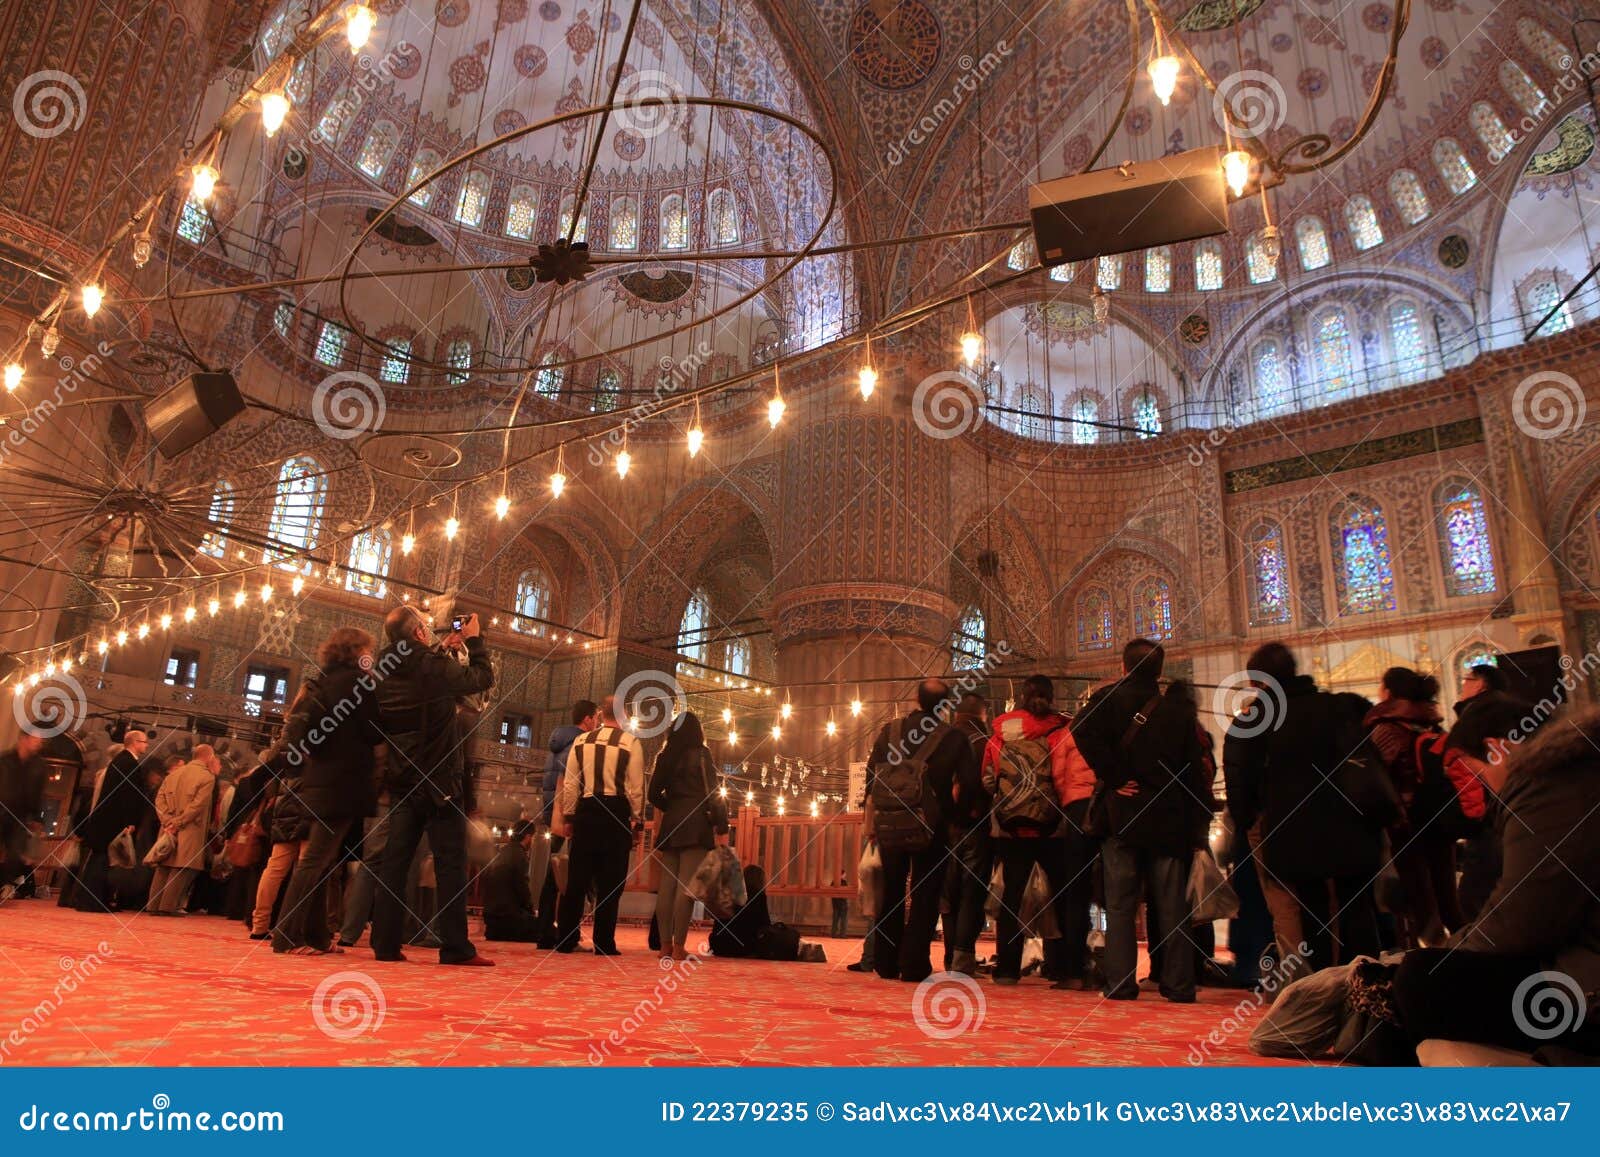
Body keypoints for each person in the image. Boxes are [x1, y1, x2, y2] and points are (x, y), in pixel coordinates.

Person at [1394, 703, 1600, 1056]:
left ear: (1495, 749)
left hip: (1588, 988)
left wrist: (1445, 955)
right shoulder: (1575, 770)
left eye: (1473, 771)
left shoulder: (1547, 784)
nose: (1479, 786)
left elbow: (1522, 921)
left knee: (1420, 980)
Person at [1230, 641, 1385, 974]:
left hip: (1294, 835)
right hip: (1351, 829)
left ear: (1258, 680)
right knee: (1356, 912)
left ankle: (1321, 994)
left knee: (1310, 915)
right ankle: (1369, 993)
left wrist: (1246, 822)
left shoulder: (1256, 721)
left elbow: (1241, 779)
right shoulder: (1338, 707)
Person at [1072, 641, 1205, 1002]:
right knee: (1172, 905)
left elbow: (1079, 730)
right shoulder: (1178, 711)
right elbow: (1195, 771)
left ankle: (1120, 983)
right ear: (1160, 672)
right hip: (1169, 815)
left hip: (1123, 814)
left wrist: (1114, 776)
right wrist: (1199, 824)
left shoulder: (1107, 699)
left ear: (1123, 665)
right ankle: (1179, 985)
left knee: (1120, 905)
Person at [371, 604, 496, 967]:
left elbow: (420, 688)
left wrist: (442, 651)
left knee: (395, 863)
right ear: (419, 633)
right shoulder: (432, 667)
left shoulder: (382, 671)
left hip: (402, 779)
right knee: (450, 864)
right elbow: (480, 679)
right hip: (440, 781)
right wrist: (476, 642)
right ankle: (455, 946)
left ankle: (385, 944)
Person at [272, 627, 385, 955]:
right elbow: (373, 729)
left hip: (321, 779)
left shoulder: (323, 679)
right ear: (357, 651)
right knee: (314, 862)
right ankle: (287, 937)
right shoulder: (358, 683)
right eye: (368, 649)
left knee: (323, 862)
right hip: (343, 782)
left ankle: (316, 936)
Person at [981, 676, 1096, 987]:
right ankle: (1058, 967)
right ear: (1051, 696)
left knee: (1011, 898)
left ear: (1021, 696)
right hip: (1052, 830)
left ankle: (1006, 969)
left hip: (1010, 830)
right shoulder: (1061, 731)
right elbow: (1063, 778)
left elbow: (988, 781)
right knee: (1059, 898)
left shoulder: (999, 733)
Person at [864, 678, 969, 984]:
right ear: (946, 705)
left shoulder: (890, 731)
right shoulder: (954, 738)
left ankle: (885, 962)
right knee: (925, 894)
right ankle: (913, 965)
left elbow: (872, 778)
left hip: (891, 823)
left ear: (917, 700)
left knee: (892, 890)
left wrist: (874, 820)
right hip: (932, 828)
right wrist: (955, 820)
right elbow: (968, 784)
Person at [1367, 666, 1451, 946]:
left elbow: (1374, 777)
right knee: (1446, 897)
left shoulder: (1386, 729)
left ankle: (1429, 968)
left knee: (1420, 902)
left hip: (1405, 825)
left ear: (1388, 692)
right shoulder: (1431, 724)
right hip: (1439, 820)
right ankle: (1463, 957)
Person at [555, 693, 644, 955]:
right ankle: (604, 942)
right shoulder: (630, 743)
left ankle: (566, 939)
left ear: (602, 715)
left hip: (587, 810)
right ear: (624, 716)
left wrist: (570, 817)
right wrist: (636, 820)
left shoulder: (582, 741)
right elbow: (636, 787)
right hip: (615, 812)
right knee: (611, 881)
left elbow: (571, 783)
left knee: (577, 880)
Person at [648, 710, 729, 961]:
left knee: (666, 889)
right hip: (696, 825)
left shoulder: (664, 756)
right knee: (686, 890)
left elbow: (652, 795)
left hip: (671, 824)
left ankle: (664, 946)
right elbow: (714, 792)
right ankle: (679, 945)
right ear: (697, 732)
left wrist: (671, 806)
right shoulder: (702, 755)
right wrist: (721, 824)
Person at [535, 700, 597, 947]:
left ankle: (545, 931)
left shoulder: (556, 744)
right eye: (596, 719)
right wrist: (573, 816)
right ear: (588, 720)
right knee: (571, 875)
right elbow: (574, 782)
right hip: (570, 814)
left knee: (553, 874)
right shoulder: (580, 744)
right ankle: (566, 934)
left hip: (553, 813)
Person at [73, 729, 151, 913]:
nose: (146, 745)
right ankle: (92, 902)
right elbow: (128, 796)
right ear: (134, 742)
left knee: (100, 861)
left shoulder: (121, 761)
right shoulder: (128, 763)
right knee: (101, 862)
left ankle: (91, 901)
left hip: (106, 820)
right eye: (144, 742)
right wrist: (131, 821)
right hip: (112, 821)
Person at [942, 693, 991, 974]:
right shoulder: (984, 743)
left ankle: (950, 957)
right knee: (971, 894)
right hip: (975, 826)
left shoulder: (940, 741)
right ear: (981, 716)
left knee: (949, 896)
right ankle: (963, 958)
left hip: (944, 830)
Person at [148, 744, 222, 915]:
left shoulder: (174, 774)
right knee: (181, 867)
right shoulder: (207, 777)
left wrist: (167, 821)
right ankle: (167, 907)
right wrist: (179, 822)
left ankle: (153, 906)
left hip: (168, 828)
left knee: (163, 865)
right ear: (209, 757)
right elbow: (198, 806)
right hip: (190, 828)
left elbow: (159, 800)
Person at [0, 730, 48, 893]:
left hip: (20, 816)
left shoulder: (39, 766)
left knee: (15, 855)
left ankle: (2, 884)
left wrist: (38, 818)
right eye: (35, 739)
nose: (39, 743)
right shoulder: (4, 760)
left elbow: (39, 794)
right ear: (23, 739)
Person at [481, 820, 540, 941]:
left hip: (491, 921)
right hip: (509, 919)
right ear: (528, 837)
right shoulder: (520, 855)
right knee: (547, 930)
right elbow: (522, 887)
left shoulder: (500, 852)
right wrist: (530, 910)